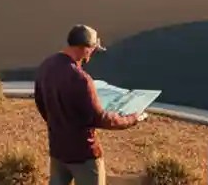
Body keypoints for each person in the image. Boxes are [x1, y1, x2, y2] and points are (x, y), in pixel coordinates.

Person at [34, 24, 144, 185]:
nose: (92, 53)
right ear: (85, 48)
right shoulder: (81, 79)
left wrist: (59, 124)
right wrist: (132, 118)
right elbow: (100, 118)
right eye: (93, 48)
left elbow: (40, 102)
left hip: (58, 149)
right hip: (83, 154)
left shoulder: (46, 66)